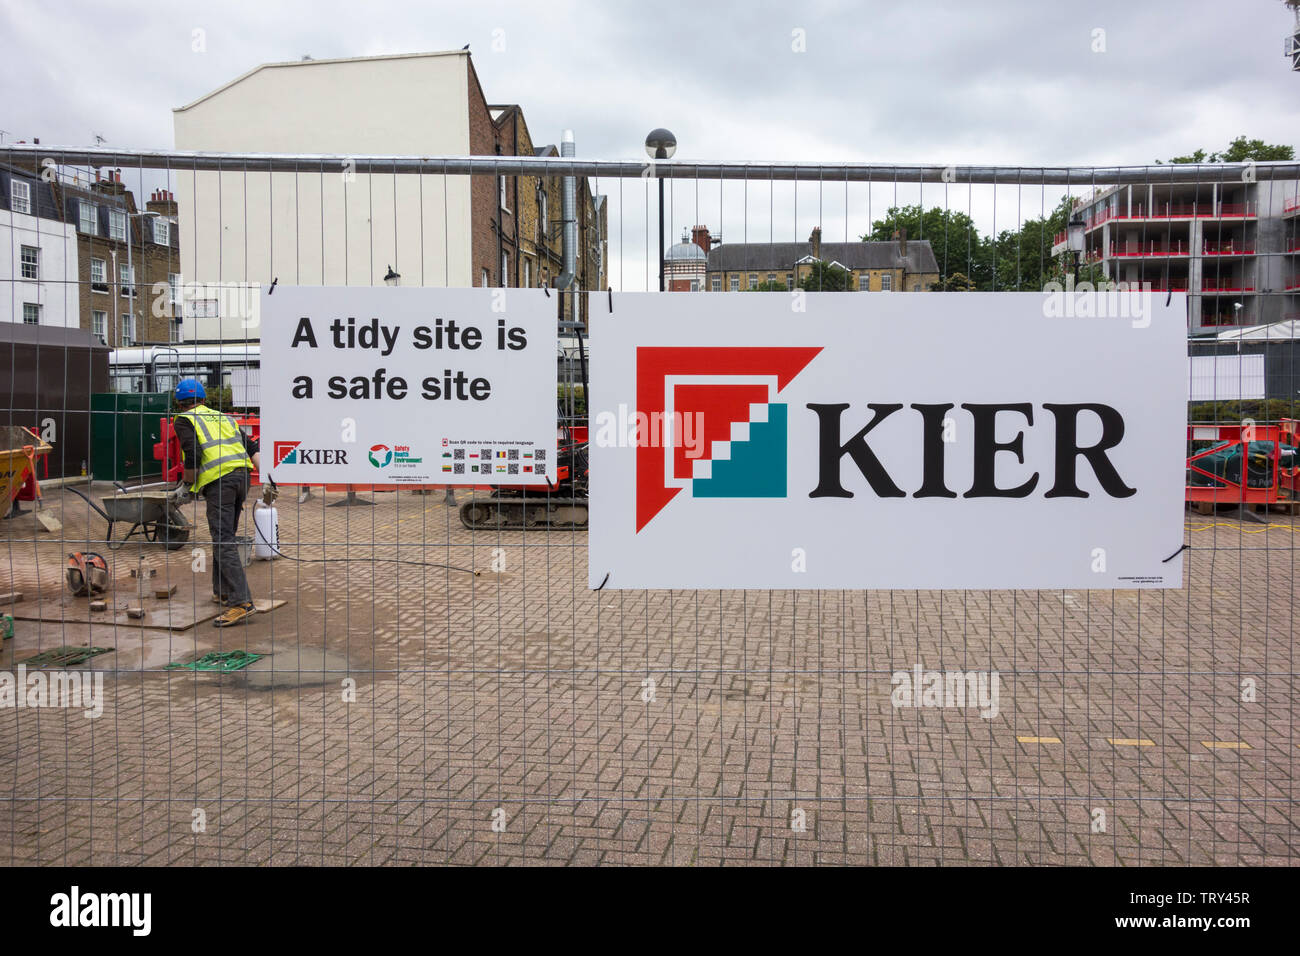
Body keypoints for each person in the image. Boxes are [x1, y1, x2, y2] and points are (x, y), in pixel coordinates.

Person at [171, 378, 261, 627]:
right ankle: (222, 591)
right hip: (242, 478)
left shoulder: (184, 419)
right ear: (203, 399)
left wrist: (187, 485)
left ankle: (241, 602)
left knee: (223, 539)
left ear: (179, 403)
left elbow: (193, 453)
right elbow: (251, 446)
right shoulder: (223, 417)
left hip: (220, 481)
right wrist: (267, 477)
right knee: (225, 536)